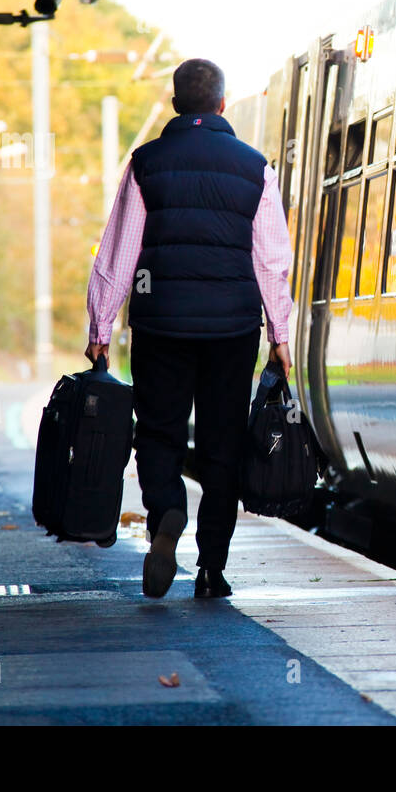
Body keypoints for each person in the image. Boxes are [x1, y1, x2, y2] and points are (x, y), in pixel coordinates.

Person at [84, 58, 293, 600]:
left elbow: (119, 252)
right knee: (223, 444)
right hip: (233, 329)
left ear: (175, 106)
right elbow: (272, 260)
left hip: (161, 325)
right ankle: (211, 570)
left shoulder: (146, 163)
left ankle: (167, 516)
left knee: (158, 433)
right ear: (222, 105)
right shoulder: (255, 168)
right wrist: (281, 336)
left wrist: (101, 326)